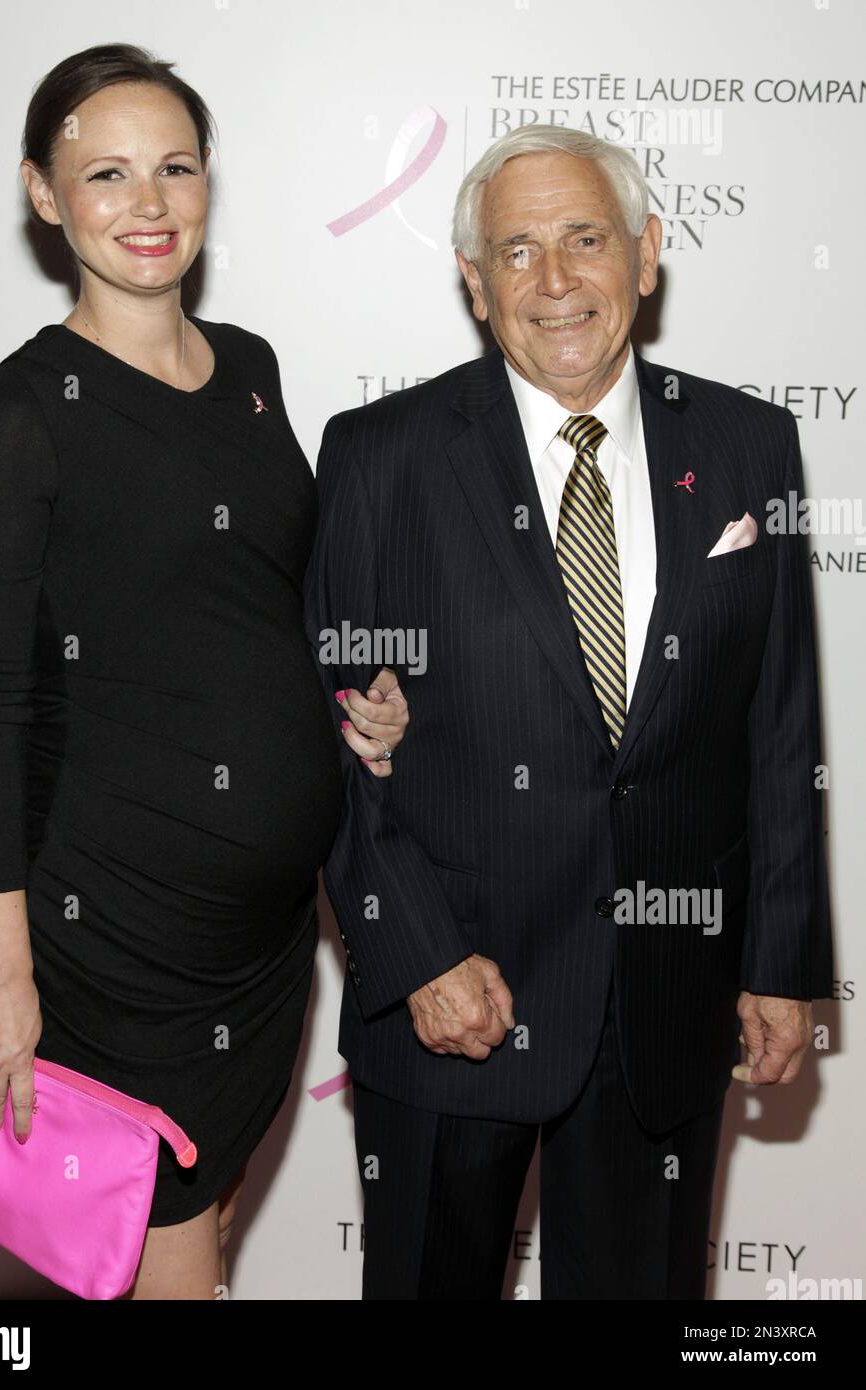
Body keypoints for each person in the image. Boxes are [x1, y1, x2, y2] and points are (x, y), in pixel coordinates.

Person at [305, 122, 833, 1300]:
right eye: (518, 250)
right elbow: (332, 751)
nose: (556, 282)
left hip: (666, 1004)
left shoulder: (750, 445)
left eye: (586, 240)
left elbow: (781, 726)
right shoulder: (378, 457)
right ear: (475, 281)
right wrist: (416, 956)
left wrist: (783, 961)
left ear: (647, 254)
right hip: (453, 1002)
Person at [0, 42, 408, 1302]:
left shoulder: (248, 368)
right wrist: (1, 977)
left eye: (175, 167)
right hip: (114, 931)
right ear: (44, 194)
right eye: (106, 174)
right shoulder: (14, 415)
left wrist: (357, 697)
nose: (148, 205)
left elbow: (265, 600)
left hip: (260, 941)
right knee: (168, 1251)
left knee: (189, 1237)